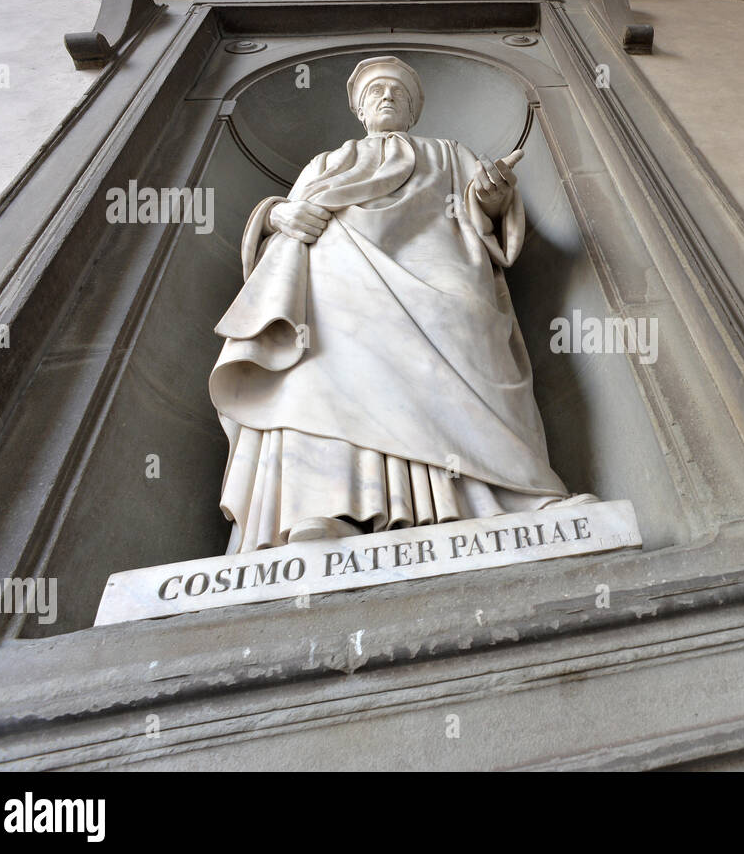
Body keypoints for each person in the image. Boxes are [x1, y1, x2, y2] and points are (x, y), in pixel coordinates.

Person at [209, 55, 590, 552]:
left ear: (412, 111)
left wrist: (494, 197)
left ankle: (508, 497)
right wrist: (276, 213)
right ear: (361, 110)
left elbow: (485, 213)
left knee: (473, 348)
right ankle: (324, 509)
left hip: (442, 268)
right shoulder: (325, 162)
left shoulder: (450, 153)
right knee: (328, 372)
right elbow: (288, 222)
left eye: (398, 93)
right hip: (338, 271)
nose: (386, 98)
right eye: (375, 93)